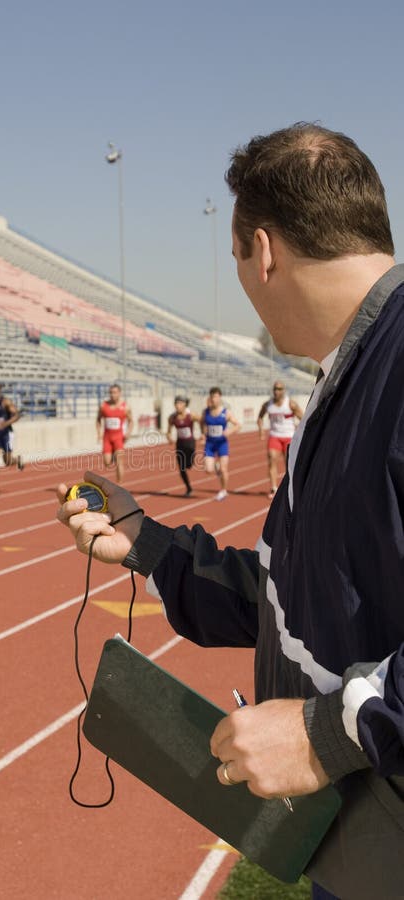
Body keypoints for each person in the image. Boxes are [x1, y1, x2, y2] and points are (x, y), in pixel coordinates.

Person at [57, 124, 404, 900]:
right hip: (360, 849)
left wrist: (327, 732)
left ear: (263, 250)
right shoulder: (348, 374)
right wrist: (148, 544)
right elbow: (305, 591)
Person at [257, 382, 303, 497]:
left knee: (289, 464)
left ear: (284, 390)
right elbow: (260, 417)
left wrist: (299, 428)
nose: (276, 391)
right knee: (272, 460)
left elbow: (303, 417)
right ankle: (273, 488)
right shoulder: (268, 405)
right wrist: (261, 430)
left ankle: (290, 487)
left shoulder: (291, 404)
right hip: (275, 436)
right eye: (275, 389)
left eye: (279, 389)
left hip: (289, 437)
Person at [200, 386, 241, 501]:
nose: (214, 399)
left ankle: (223, 490)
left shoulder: (225, 412)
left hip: (222, 443)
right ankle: (216, 467)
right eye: (212, 397)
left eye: (216, 397)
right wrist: (203, 434)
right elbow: (202, 423)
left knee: (224, 469)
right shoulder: (206, 412)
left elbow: (238, 425)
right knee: (208, 470)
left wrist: (230, 431)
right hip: (210, 444)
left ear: (220, 398)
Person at [96, 384, 133, 483]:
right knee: (107, 463)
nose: (112, 395)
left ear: (120, 393)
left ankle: (119, 484)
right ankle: (112, 455)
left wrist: (128, 433)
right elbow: (98, 419)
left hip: (118, 438)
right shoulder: (104, 406)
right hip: (107, 438)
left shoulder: (125, 407)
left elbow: (131, 421)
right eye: (111, 392)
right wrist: (99, 433)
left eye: (115, 392)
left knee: (119, 462)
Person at [166, 395, 199, 496]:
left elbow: (202, 421)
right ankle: (189, 488)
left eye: (180, 403)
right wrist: (169, 438)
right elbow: (168, 431)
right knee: (182, 468)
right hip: (180, 444)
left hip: (190, 444)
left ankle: (190, 462)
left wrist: (203, 433)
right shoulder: (172, 417)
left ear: (185, 404)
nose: (177, 405)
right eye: (176, 403)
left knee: (189, 464)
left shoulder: (191, 415)